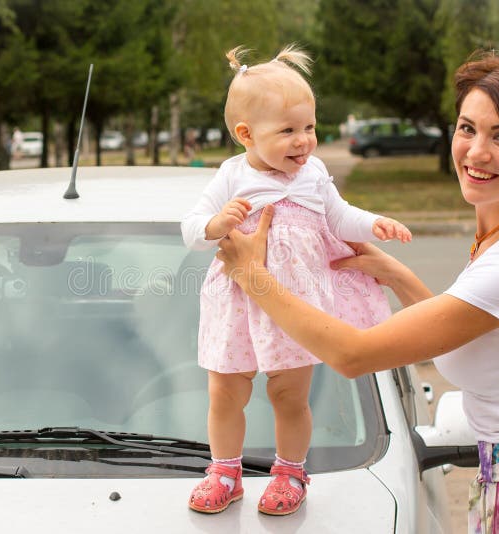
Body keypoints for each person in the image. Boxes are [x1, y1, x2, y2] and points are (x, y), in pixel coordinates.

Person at [216, 50, 499, 532]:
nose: (476, 152)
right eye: (467, 128)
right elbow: (458, 343)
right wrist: (396, 274)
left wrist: (254, 278)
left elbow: (352, 355)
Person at [181, 44, 412, 516]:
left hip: (296, 307)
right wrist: (217, 224)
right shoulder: (230, 176)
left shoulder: (314, 174)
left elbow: (339, 217)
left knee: (289, 394)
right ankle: (225, 471)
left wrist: (374, 225)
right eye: (287, 130)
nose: (304, 140)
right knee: (226, 391)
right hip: (240, 303)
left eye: (309, 127)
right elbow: (191, 231)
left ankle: (290, 472)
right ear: (246, 134)